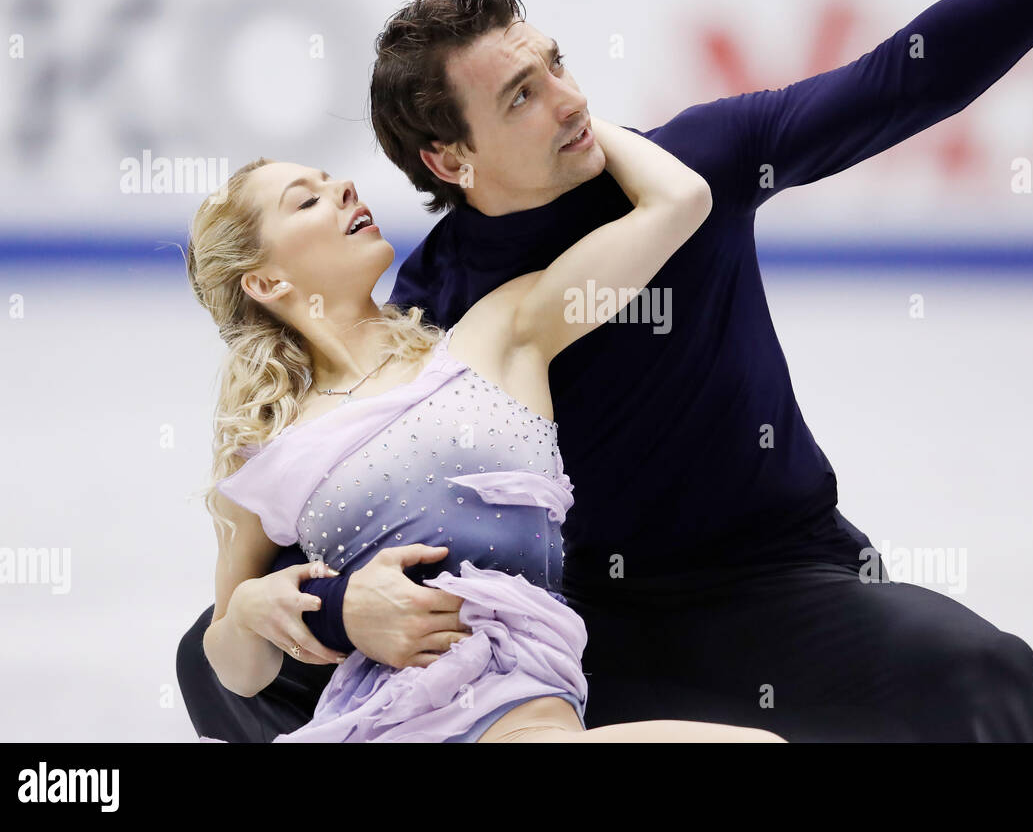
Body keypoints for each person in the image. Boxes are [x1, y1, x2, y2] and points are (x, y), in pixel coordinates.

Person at [176, 0, 1033, 742]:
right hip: (571, 621)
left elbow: (908, 78)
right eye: (519, 97)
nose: (569, 99)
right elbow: (297, 548)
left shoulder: (694, 168)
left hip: (771, 586)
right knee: (215, 663)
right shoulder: (430, 310)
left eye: (556, 66)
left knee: (975, 668)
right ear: (448, 158)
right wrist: (317, 604)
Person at [184, 116, 784, 742]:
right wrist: (254, 610)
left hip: (527, 717)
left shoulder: (498, 336)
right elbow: (239, 671)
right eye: (306, 200)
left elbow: (680, 200)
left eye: (333, 180)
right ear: (267, 282)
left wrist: (557, 112)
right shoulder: (267, 446)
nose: (344, 190)